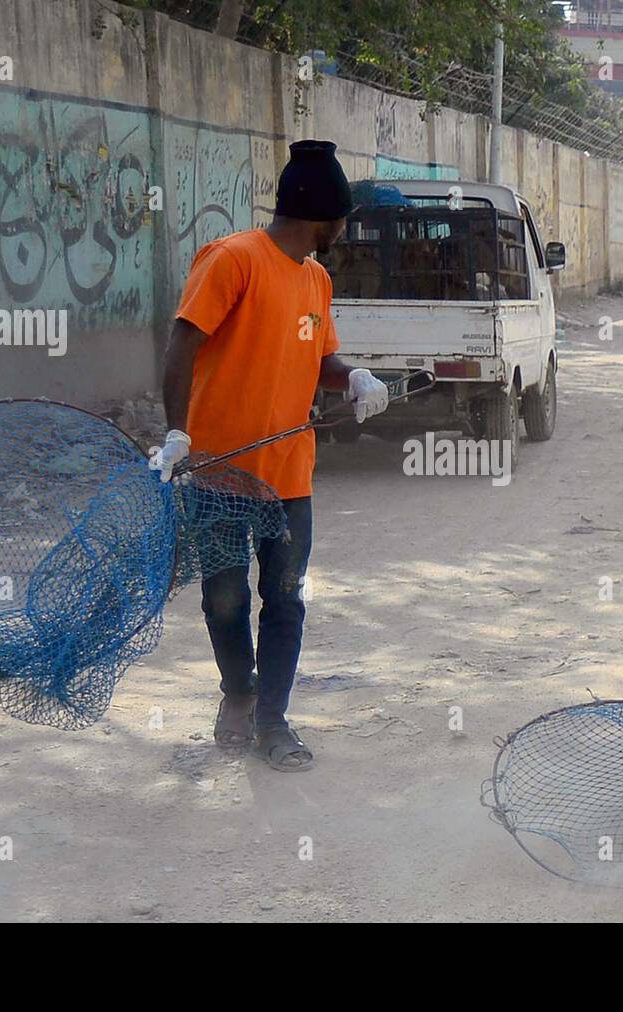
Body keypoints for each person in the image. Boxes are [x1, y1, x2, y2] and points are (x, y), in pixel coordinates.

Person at [148, 140, 390, 771]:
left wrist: (354, 377)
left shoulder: (317, 279)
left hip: (289, 476)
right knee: (223, 600)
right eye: (342, 219)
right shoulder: (233, 260)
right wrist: (178, 431)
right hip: (222, 473)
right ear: (324, 216)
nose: (344, 229)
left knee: (285, 596)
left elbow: (319, 361)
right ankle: (238, 690)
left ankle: (272, 721)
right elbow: (182, 344)